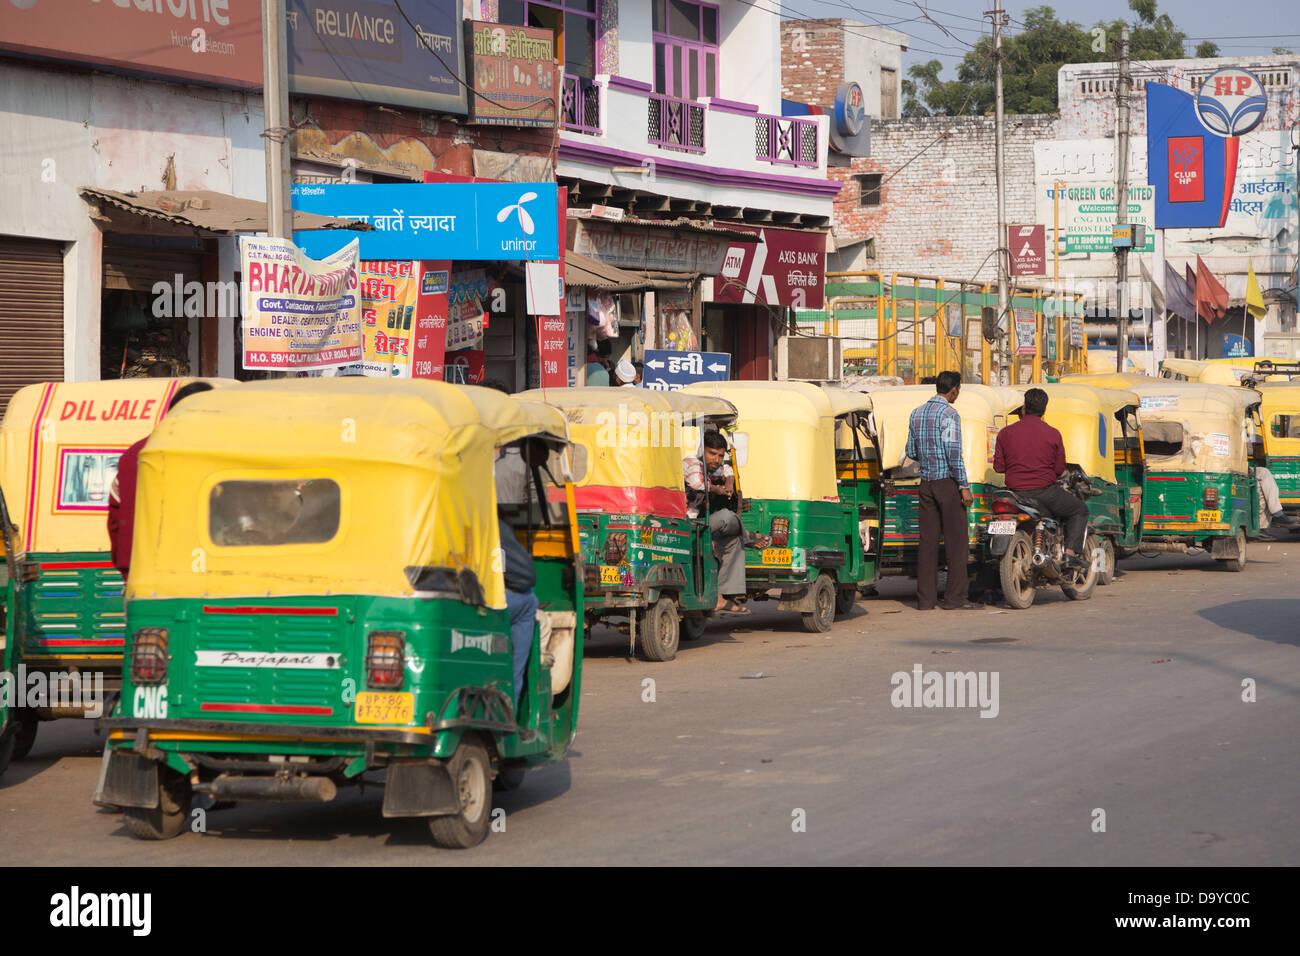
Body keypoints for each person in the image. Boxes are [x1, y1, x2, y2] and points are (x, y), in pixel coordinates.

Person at [107, 381, 214, 582]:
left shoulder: (134, 455)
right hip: (201, 578)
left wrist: (127, 570)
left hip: (140, 579)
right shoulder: (211, 453)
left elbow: (115, 523)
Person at [992, 387, 1089, 569]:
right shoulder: (1053, 434)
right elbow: (1059, 469)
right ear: (1044, 410)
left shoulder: (1005, 433)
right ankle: (1069, 554)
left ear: (1023, 408)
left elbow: (999, 467)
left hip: (1014, 494)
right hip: (1045, 492)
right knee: (1080, 510)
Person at [905, 370, 976, 610]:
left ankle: (925, 601)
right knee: (957, 544)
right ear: (954, 390)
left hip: (925, 484)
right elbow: (953, 453)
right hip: (947, 483)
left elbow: (911, 451)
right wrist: (964, 486)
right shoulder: (949, 414)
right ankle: (955, 599)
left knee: (927, 544)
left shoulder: (916, 413)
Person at [684, 431, 749, 614]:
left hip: (699, 526)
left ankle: (720, 597)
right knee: (726, 517)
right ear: (701, 450)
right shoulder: (692, 464)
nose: (717, 459)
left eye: (721, 455)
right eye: (712, 453)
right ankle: (749, 536)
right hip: (683, 524)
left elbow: (728, 471)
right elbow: (698, 484)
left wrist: (729, 484)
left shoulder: (715, 467)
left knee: (734, 541)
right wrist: (718, 490)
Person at [497, 515, 539, 714]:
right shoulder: (492, 523)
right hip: (491, 601)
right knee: (529, 602)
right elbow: (526, 576)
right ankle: (509, 712)